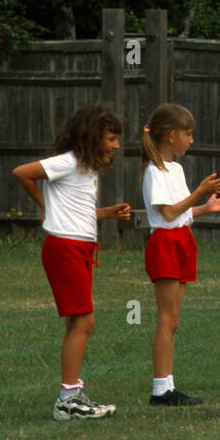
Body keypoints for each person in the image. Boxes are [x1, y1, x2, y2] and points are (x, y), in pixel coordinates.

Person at [12, 104, 132, 421]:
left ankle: (74, 394)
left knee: (76, 322)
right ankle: (67, 401)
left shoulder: (85, 169)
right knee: (85, 322)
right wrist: (43, 204)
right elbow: (22, 172)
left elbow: (75, 211)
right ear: (91, 137)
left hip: (78, 247)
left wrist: (107, 213)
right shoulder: (67, 162)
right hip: (64, 248)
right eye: (110, 139)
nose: (116, 146)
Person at [140, 103, 220, 406]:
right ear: (170, 136)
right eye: (188, 134)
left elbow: (179, 211)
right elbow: (167, 213)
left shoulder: (175, 169)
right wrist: (199, 193)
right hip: (165, 243)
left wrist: (205, 207)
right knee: (167, 319)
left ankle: (166, 386)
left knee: (174, 320)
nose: (191, 140)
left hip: (181, 240)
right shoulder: (153, 172)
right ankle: (160, 389)